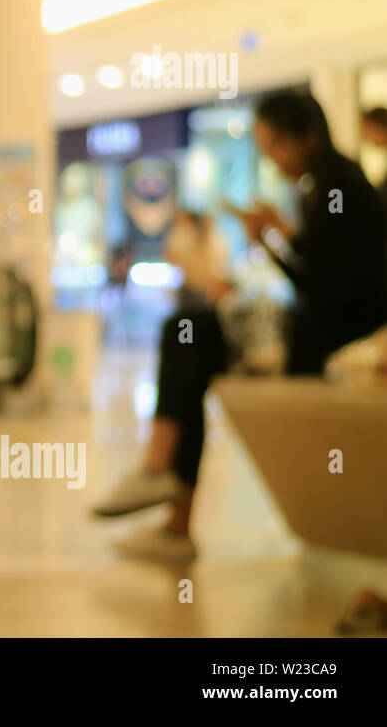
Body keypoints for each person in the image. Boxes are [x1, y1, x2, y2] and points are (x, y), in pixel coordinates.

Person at [93, 91, 387, 560]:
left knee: (189, 331)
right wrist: (272, 239)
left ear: (307, 135)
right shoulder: (328, 185)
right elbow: (318, 276)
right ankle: (169, 506)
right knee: (190, 335)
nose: (271, 156)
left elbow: (331, 286)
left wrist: (277, 235)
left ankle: (164, 487)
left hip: (324, 340)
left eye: (275, 143)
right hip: (319, 330)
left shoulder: (338, 187)